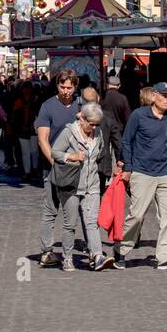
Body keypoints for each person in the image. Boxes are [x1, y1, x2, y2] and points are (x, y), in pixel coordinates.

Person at [116, 82, 167, 270]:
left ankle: (165, 257)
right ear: (154, 96)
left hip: (166, 173)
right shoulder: (138, 116)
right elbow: (127, 142)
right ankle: (121, 248)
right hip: (142, 172)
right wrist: (128, 168)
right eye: (164, 96)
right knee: (137, 215)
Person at [51, 103, 114, 271]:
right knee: (70, 224)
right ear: (82, 119)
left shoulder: (98, 132)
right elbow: (55, 152)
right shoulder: (69, 132)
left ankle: (97, 256)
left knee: (92, 222)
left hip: (92, 184)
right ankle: (67, 258)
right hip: (71, 184)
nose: (93, 127)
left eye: (96, 124)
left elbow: (100, 152)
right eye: (90, 123)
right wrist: (71, 156)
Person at [35, 70, 81, 268]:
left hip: (78, 168)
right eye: (62, 87)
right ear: (57, 86)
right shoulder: (48, 106)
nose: (66, 91)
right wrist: (55, 162)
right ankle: (47, 252)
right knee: (50, 210)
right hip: (53, 167)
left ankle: (87, 250)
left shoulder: (81, 105)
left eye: (69, 87)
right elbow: (42, 139)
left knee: (77, 211)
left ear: (75, 87)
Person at [83, 85, 121, 195]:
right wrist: (120, 162)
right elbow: (117, 141)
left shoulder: (80, 116)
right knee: (97, 195)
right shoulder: (108, 116)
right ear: (98, 99)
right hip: (102, 164)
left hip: (85, 163)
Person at [11, 80, 40, 181]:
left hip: (32, 128)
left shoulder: (35, 100)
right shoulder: (19, 101)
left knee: (34, 150)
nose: (26, 91)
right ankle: (28, 171)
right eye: (25, 88)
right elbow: (14, 115)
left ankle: (34, 169)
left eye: (28, 88)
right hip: (22, 128)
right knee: (26, 151)